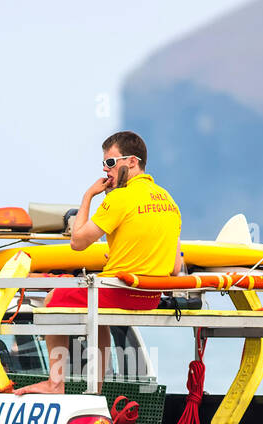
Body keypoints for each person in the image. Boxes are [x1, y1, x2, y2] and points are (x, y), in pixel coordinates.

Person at [15, 130, 182, 395]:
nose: (106, 171)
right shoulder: (169, 201)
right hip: (149, 297)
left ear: (132, 162)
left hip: (120, 293)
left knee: (52, 301)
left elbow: (77, 242)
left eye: (111, 163)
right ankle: (97, 388)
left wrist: (88, 196)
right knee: (100, 320)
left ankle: (55, 383)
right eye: (104, 164)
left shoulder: (119, 198)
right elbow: (174, 267)